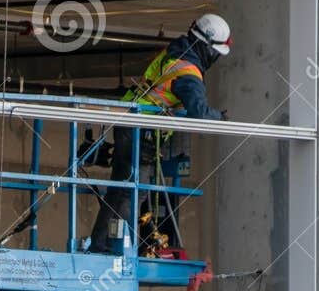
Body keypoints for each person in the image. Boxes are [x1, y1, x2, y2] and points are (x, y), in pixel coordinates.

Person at [86, 13, 232, 255]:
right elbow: (200, 113)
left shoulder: (176, 52)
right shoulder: (188, 73)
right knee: (132, 191)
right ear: (208, 48)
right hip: (141, 132)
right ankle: (115, 248)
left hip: (131, 124)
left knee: (123, 189)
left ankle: (105, 243)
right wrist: (221, 118)